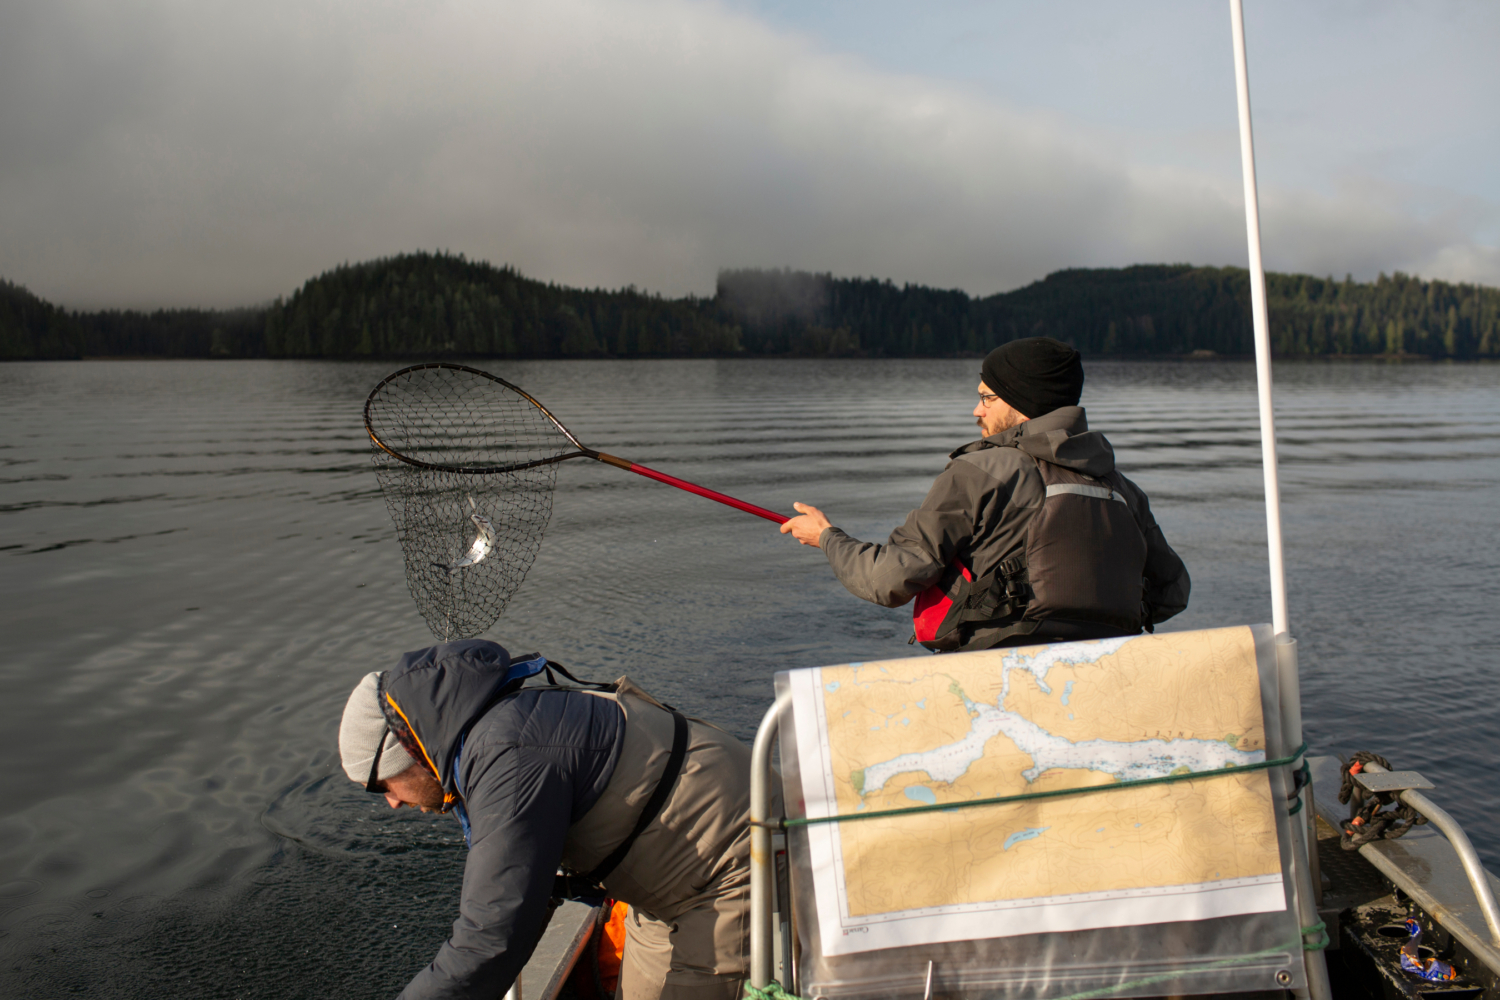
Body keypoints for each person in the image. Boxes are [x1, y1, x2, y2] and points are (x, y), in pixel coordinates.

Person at [338, 638, 751, 1000]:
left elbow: (490, 937)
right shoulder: (491, 738)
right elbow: (523, 899)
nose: (390, 803)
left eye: (381, 786)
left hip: (732, 869)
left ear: (407, 752)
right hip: (667, 889)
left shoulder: (508, 754)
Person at [780, 336, 1189, 652]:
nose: (977, 411)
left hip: (995, 676)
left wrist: (827, 538)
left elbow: (891, 580)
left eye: (986, 398)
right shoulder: (1121, 489)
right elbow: (1172, 593)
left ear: (1025, 403)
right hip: (1102, 671)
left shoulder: (979, 472)